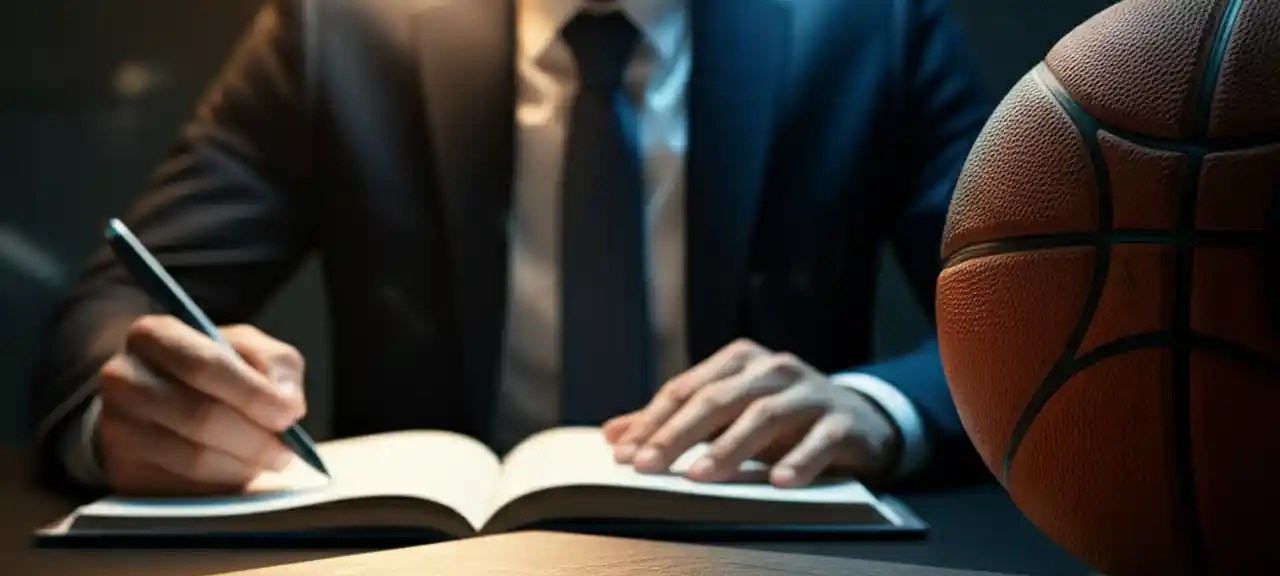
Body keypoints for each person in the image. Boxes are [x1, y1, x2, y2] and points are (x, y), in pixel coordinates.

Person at [30, 0, 989, 495]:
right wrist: (140, 411)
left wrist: (875, 409)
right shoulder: (337, 28)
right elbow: (112, 306)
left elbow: (1041, 313)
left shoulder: (869, 22)